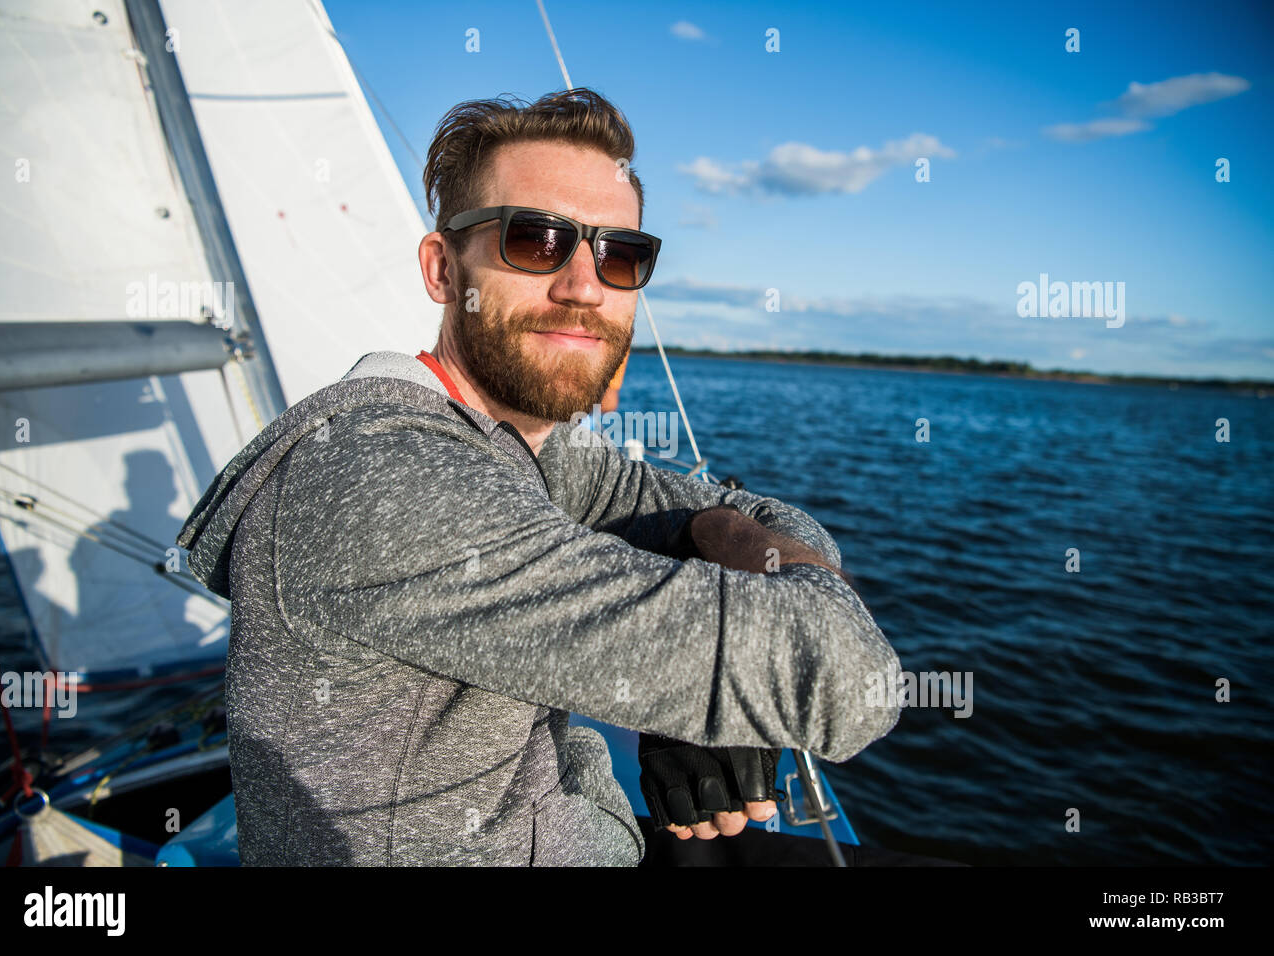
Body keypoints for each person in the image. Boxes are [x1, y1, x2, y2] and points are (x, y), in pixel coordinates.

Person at [177, 88, 901, 866]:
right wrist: (623, 747)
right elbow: (852, 680)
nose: (585, 286)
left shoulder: (527, 455)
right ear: (442, 268)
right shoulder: (382, 477)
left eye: (619, 255)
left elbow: (762, 518)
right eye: (536, 240)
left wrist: (707, 542)